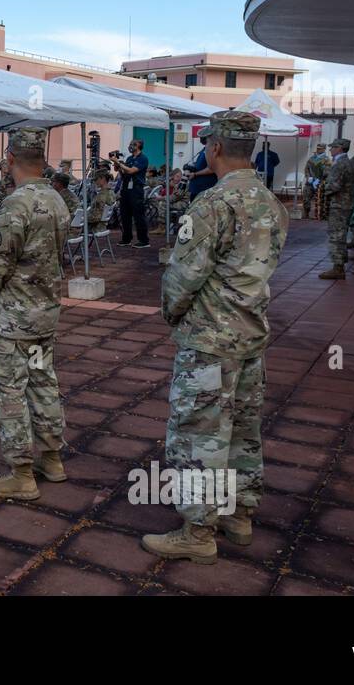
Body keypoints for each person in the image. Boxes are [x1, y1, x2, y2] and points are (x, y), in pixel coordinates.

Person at [142, 111, 289, 563]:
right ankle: (239, 515)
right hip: (250, 335)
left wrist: (172, 314)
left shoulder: (211, 205)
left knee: (199, 434)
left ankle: (197, 531)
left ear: (216, 148)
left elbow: (183, 277)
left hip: (209, 341)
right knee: (243, 429)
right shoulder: (271, 202)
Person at [0, 128, 69, 501]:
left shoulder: (15, 205)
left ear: (9, 158)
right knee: (43, 383)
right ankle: (52, 458)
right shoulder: (57, 200)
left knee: (9, 391)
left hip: (13, 321)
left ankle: (21, 472)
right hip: (45, 314)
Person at [318, 137, 354, 280]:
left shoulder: (340, 164)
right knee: (340, 234)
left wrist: (322, 187)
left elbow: (334, 186)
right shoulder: (346, 162)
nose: (330, 149)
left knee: (337, 235)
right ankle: (339, 264)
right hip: (344, 203)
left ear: (340, 148)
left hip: (340, 204)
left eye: (333, 147)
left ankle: (338, 267)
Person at [114, 138, 150, 248]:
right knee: (125, 215)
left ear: (139, 146)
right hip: (126, 188)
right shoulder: (129, 158)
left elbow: (131, 170)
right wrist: (118, 165)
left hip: (136, 189)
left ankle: (144, 241)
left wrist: (118, 163)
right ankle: (126, 239)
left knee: (138, 215)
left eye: (134, 144)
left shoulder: (143, 158)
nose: (131, 146)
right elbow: (124, 172)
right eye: (130, 144)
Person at [185, 133, 217, 202]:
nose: (200, 138)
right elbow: (200, 165)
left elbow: (212, 168)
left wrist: (195, 174)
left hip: (204, 189)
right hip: (196, 188)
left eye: (202, 136)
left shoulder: (213, 149)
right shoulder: (204, 149)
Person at [85, 168, 117, 234]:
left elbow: (96, 217)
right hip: (103, 226)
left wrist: (82, 218)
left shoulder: (102, 196)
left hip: (94, 227)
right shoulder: (111, 192)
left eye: (96, 179)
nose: (95, 182)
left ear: (103, 178)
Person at [303, 144, 330, 219]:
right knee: (306, 196)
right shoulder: (312, 158)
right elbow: (306, 169)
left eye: (320, 148)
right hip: (310, 182)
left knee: (320, 199)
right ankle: (306, 213)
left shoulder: (326, 160)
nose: (318, 150)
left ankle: (319, 215)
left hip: (320, 182)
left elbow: (327, 172)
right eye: (318, 148)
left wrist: (319, 179)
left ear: (324, 149)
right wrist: (308, 177)